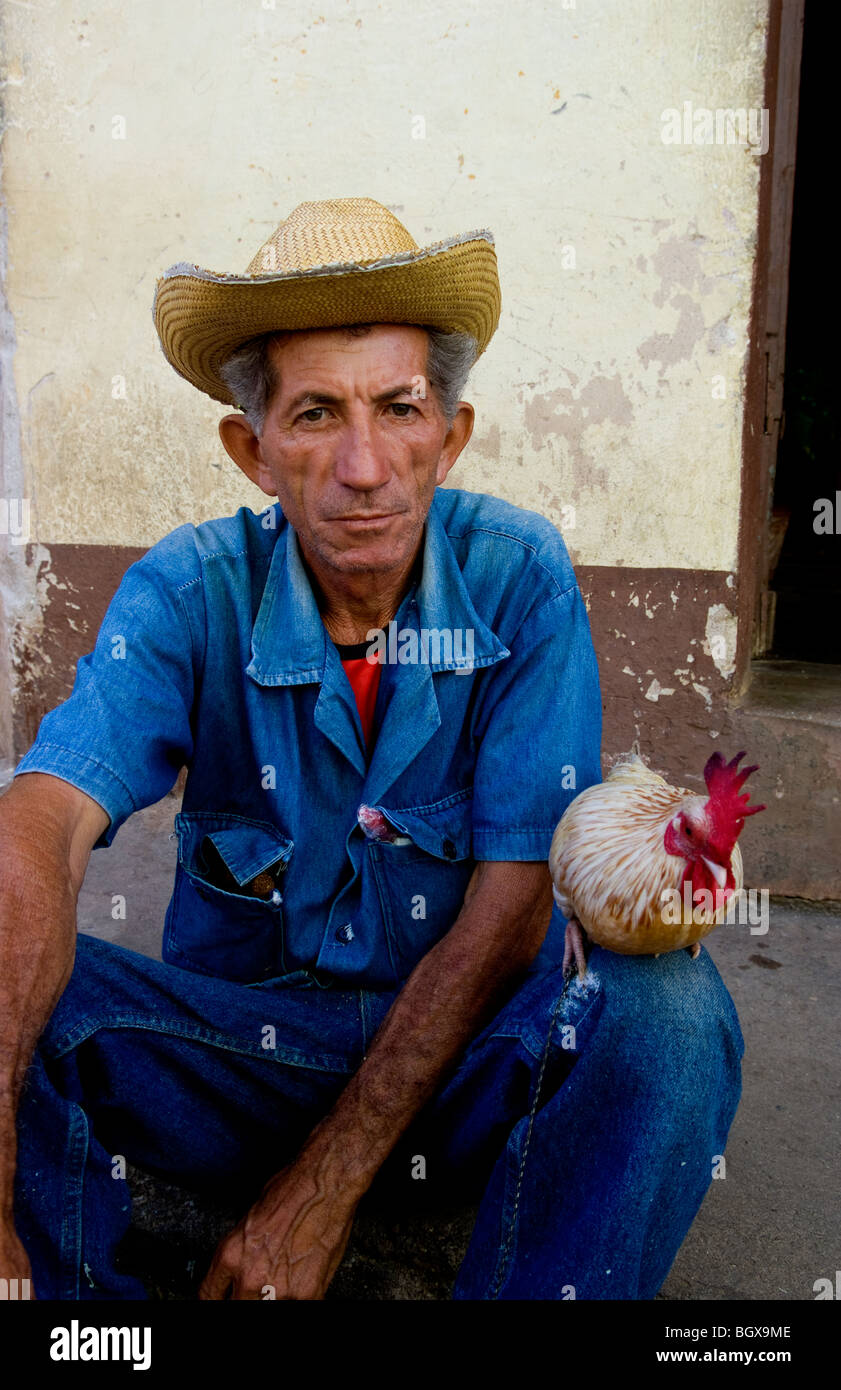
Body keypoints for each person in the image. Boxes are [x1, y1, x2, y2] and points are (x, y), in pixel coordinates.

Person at [0, 198, 743, 1301]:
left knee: (670, 1012)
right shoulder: (189, 589)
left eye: (399, 408)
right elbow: (38, 828)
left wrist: (318, 1196)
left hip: (468, 1070)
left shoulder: (518, 575)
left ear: (451, 435)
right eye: (313, 415)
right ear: (251, 450)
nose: (363, 465)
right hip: (244, 1061)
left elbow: (511, 911)